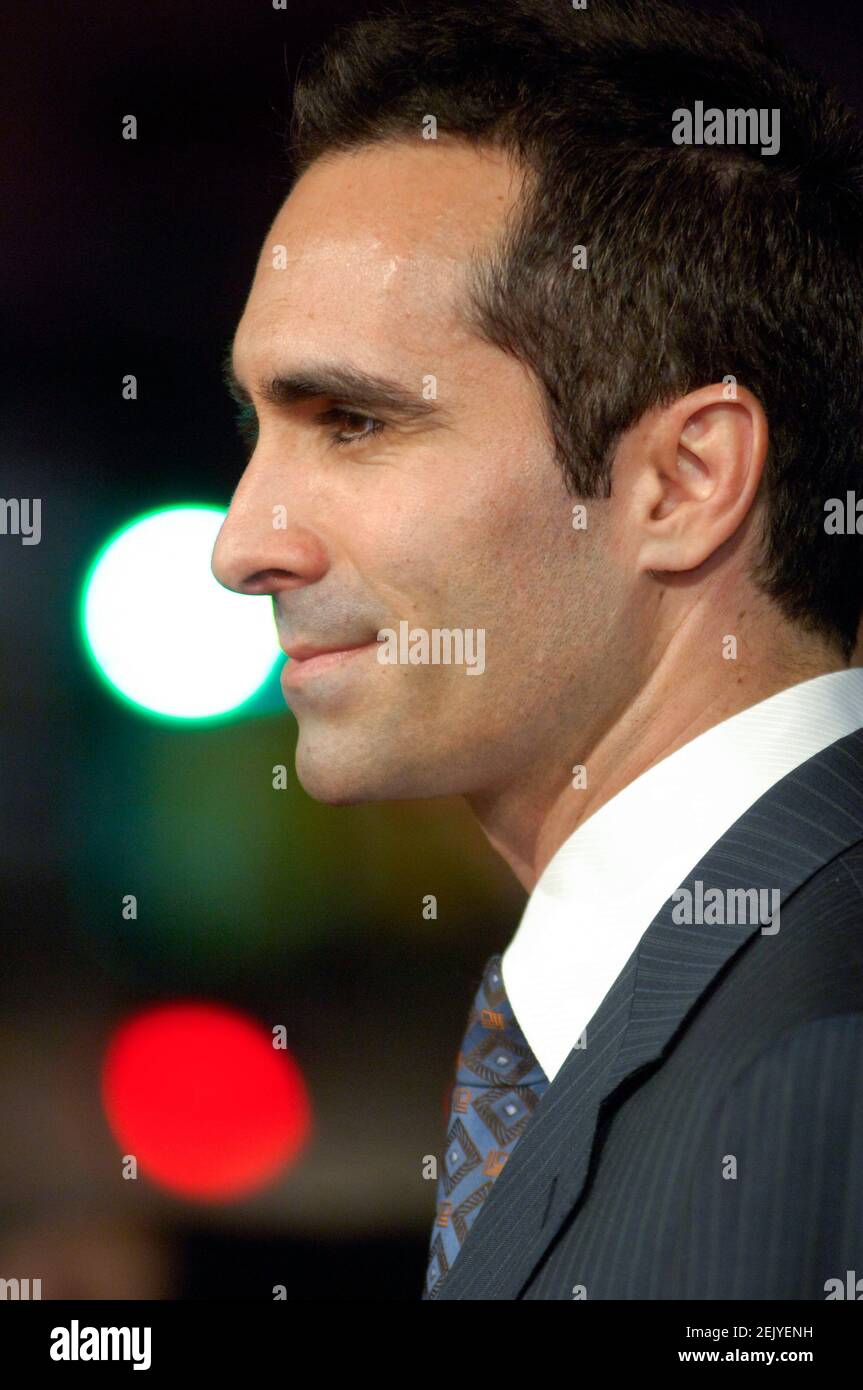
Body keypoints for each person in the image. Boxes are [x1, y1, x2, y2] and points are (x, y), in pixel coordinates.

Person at [212, 0, 863, 1299]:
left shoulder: (820, 1072)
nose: (241, 544)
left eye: (351, 422)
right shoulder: (694, 998)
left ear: (682, 480)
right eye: (256, 429)